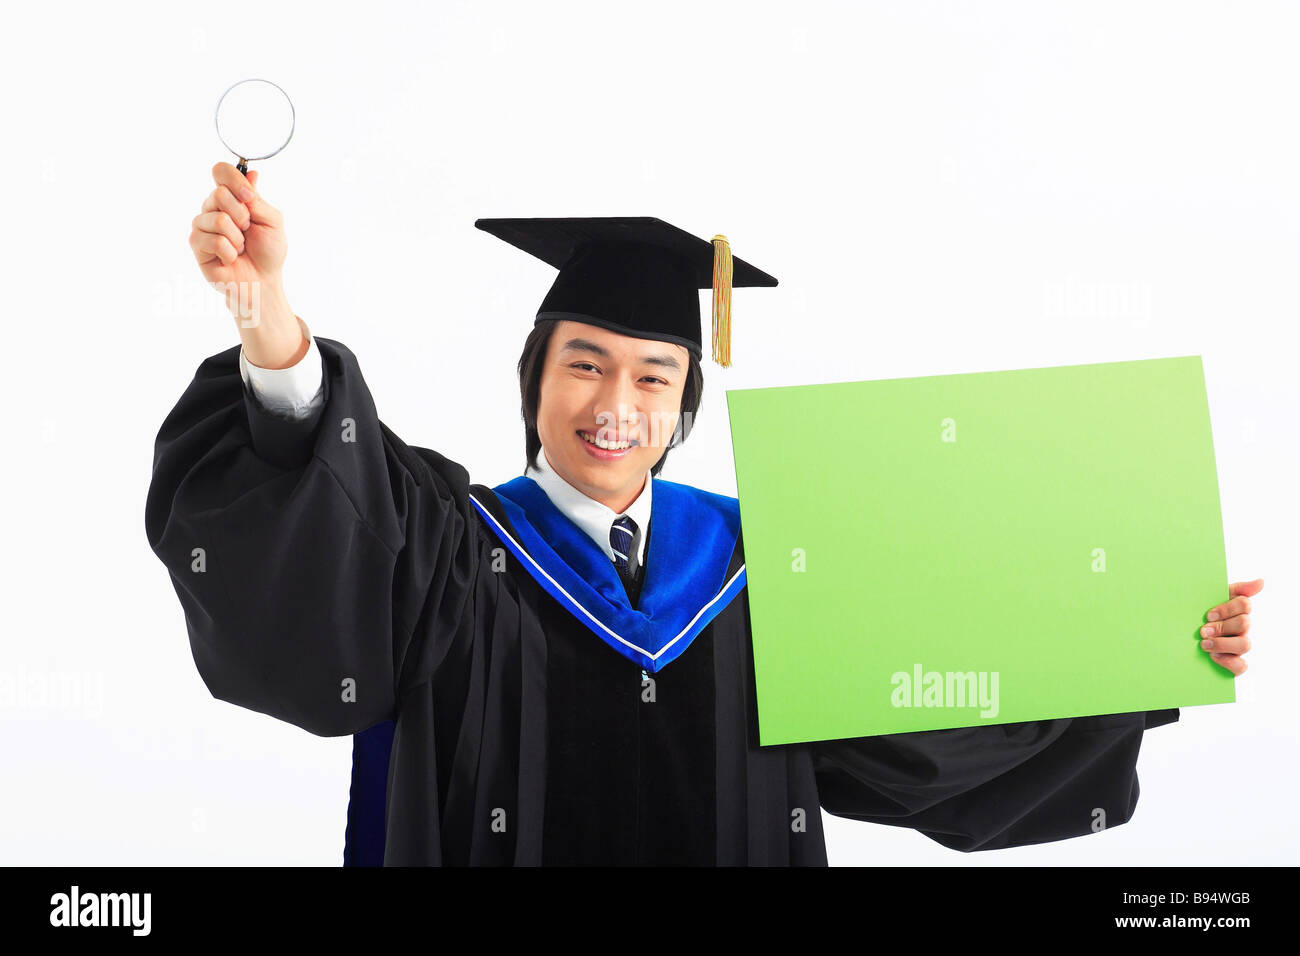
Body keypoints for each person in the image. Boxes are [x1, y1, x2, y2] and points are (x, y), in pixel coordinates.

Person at [145, 162, 1261, 866]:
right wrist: (264, 310)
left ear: (683, 403)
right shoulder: (452, 547)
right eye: (584, 364)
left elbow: (932, 713)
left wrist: (1152, 645)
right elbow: (332, 513)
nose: (614, 405)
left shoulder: (764, 565)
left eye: (652, 376)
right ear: (534, 376)